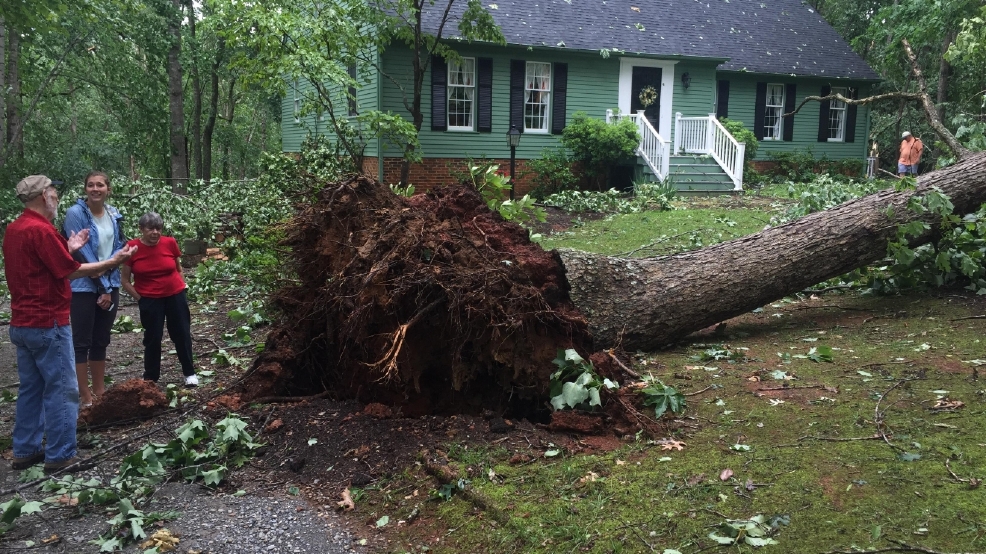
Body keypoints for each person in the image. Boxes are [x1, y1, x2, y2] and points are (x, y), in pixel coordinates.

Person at [3, 175, 135, 473]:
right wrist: (112, 262)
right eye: (53, 192)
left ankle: (25, 450)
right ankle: (61, 455)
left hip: (22, 324)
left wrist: (70, 247)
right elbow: (70, 272)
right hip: (48, 322)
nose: (57, 197)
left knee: (31, 389)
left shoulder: (15, 229)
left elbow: (42, 265)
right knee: (63, 389)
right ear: (42, 197)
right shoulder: (42, 230)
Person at [63, 171, 126, 407]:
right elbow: (82, 252)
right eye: (90, 185)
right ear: (85, 189)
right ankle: (85, 395)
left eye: (100, 185)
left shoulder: (113, 213)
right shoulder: (75, 213)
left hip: (110, 282)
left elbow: (118, 245)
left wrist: (108, 284)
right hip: (83, 286)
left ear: (108, 189)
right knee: (82, 341)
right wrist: (102, 287)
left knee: (101, 339)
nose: (95, 189)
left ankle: (100, 390)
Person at [120, 212, 198, 387]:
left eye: (158, 228)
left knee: (182, 333)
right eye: (151, 229)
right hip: (150, 299)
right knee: (153, 337)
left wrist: (182, 286)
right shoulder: (132, 247)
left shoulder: (170, 243)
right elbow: (125, 280)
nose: (155, 232)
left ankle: (189, 372)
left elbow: (178, 268)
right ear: (141, 229)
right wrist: (140, 298)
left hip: (175, 296)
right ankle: (151, 378)